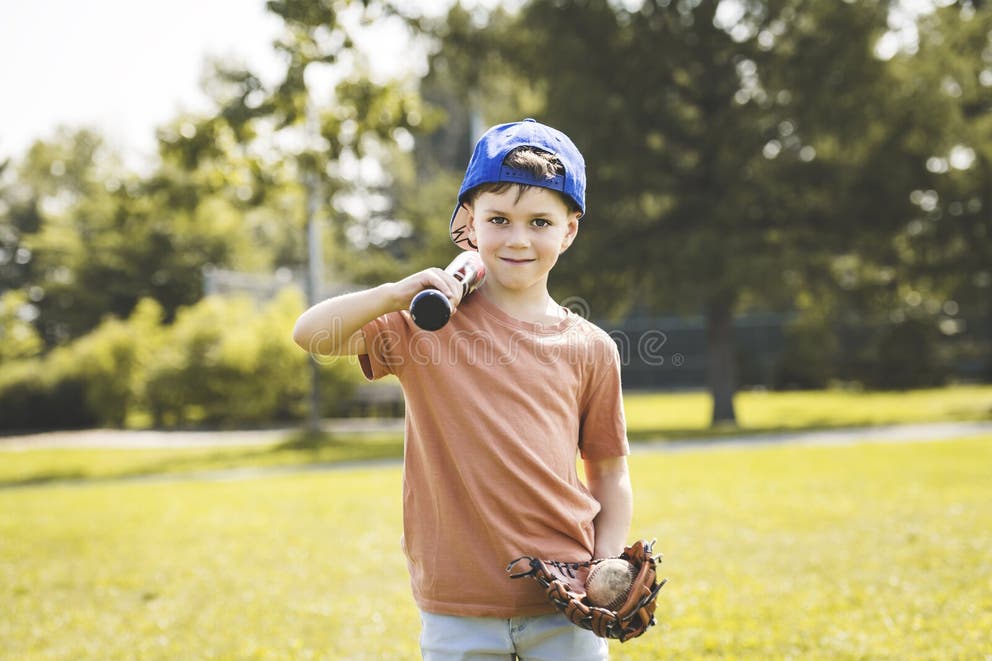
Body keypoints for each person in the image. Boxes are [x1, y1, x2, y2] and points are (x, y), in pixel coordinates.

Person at [293, 118, 632, 660]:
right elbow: (310, 333)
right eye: (499, 219)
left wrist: (603, 563)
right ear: (469, 224)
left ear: (568, 231)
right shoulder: (427, 325)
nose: (518, 238)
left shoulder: (591, 348)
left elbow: (609, 473)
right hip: (458, 605)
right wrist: (396, 293)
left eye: (539, 221)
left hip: (565, 597)